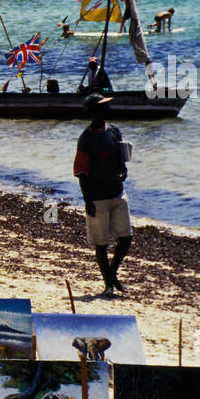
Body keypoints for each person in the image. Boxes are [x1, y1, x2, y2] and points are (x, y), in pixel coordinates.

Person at [73, 93, 132, 297]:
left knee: (126, 238)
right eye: (103, 106)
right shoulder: (86, 138)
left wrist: (123, 171)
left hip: (117, 193)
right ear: (93, 112)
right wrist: (88, 201)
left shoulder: (114, 131)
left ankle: (112, 275)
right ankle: (108, 283)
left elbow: (121, 161)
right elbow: (81, 173)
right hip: (97, 197)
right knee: (101, 244)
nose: (108, 109)